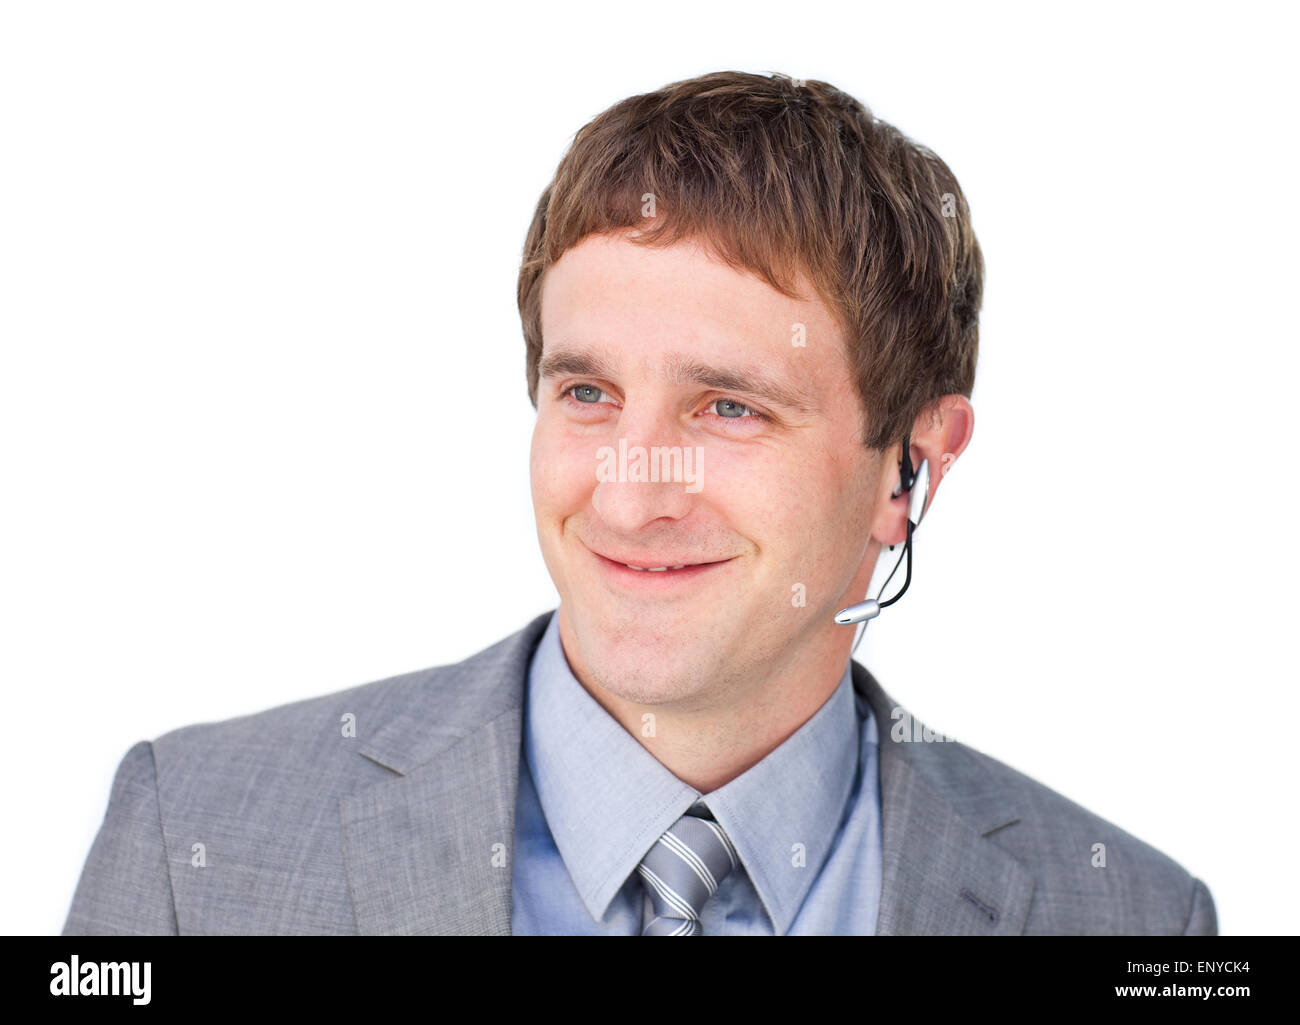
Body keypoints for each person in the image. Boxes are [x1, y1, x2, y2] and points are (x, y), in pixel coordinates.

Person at [63, 70, 1217, 936]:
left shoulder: (1132, 919)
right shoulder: (194, 850)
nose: (629, 488)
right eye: (586, 391)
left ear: (910, 465)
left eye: (729, 408)